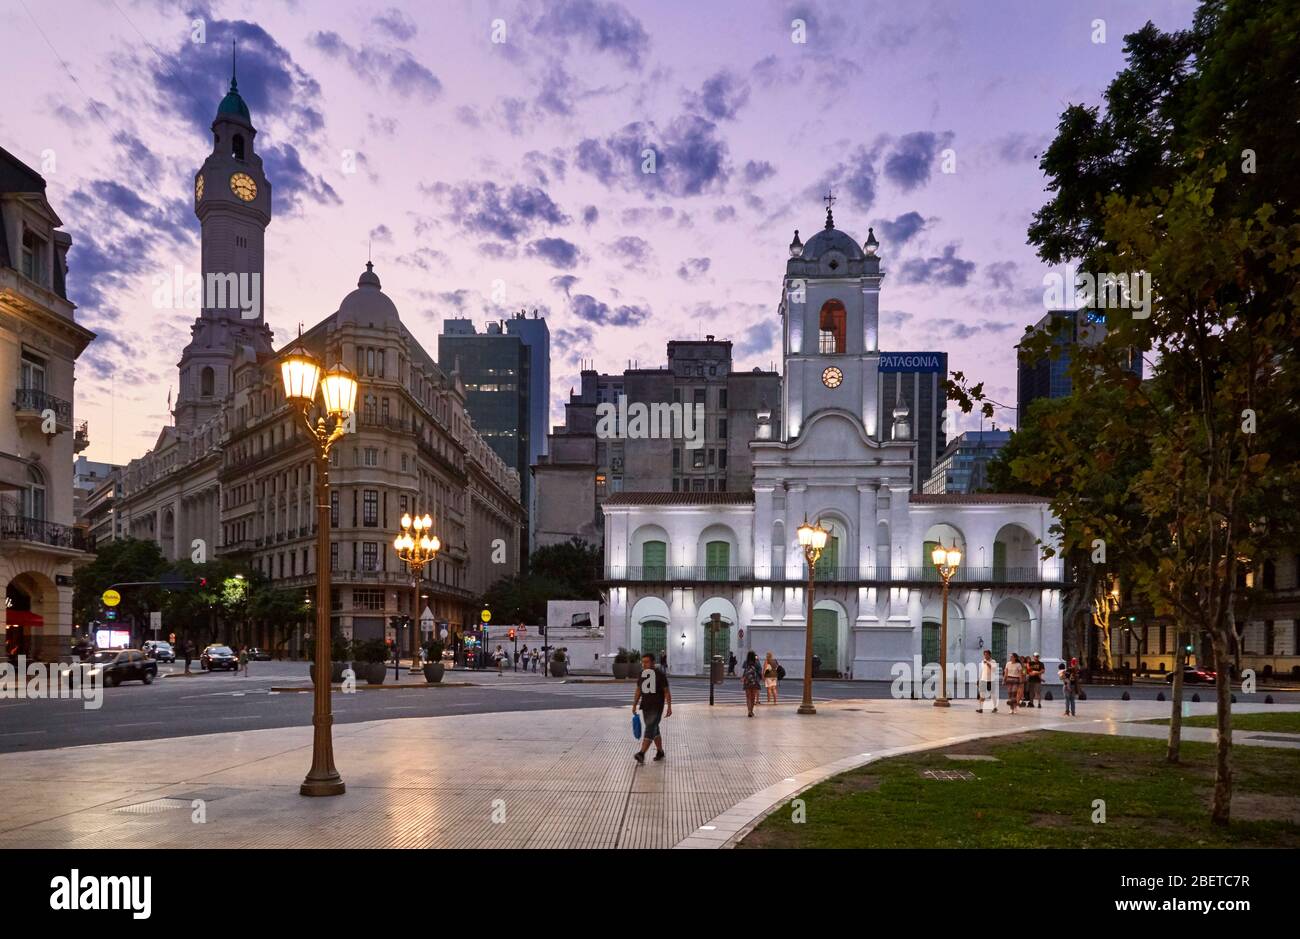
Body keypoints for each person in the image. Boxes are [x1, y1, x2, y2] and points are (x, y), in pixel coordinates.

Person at [632, 652, 671, 763]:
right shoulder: (642, 674)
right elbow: (639, 689)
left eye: (646, 662)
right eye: (642, 662)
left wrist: (669, 706)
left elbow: (666, 691)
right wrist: (635, 704)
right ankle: (660, 751)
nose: (644, 664)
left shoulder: (660, 675)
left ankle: (641, 753)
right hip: (645, 706)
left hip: (657, 706)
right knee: (654, 729)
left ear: (653, 662)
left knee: (650, 728)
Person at [977, 648, 998, 713]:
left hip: (991, 680)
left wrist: (987, 663)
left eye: (986, 655)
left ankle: (995, 707)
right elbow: (981, 671)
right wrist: (978, 679)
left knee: (992, 695)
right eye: (984, 655)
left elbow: (993, 669)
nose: (985, 656)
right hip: (983, 680)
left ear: (989, 655)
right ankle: (980, 709)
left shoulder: (993, 661)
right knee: (982, 694)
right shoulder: (982, 661)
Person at [741, 651, 761, 716]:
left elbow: (744, 670)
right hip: (755, 681)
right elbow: (759, 671)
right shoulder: (757, 662)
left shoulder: (745, 662)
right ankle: (751, 711)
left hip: (747, 681)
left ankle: (749, 711)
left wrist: (743, 677)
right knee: (753, 697)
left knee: (748, 697)